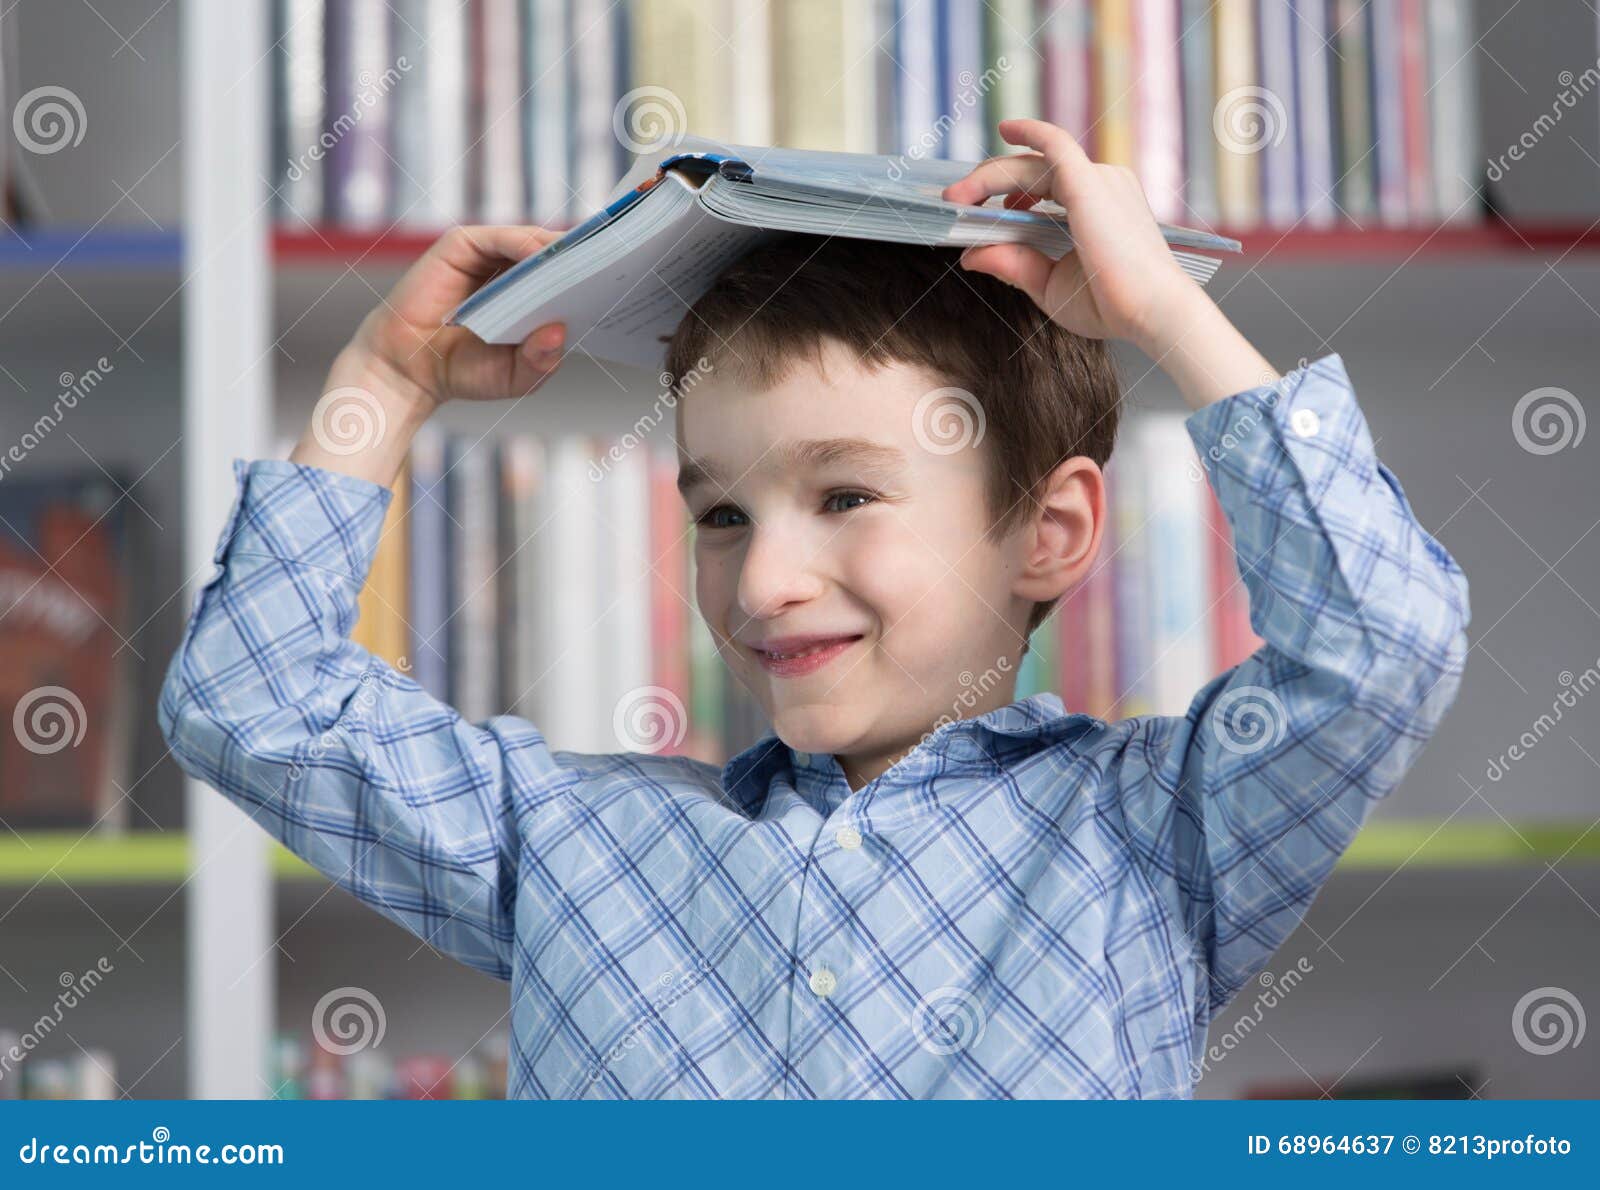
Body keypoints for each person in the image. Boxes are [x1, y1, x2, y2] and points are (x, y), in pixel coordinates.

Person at [160, 119, 1469, 1098]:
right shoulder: (568, 844)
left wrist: (1169, 314)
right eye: (720, 512)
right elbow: (250, 699)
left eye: (845, 495)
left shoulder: (1158, 831)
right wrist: (383, 389)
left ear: (1050, 532)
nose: (765, 579)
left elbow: (1383, 640)